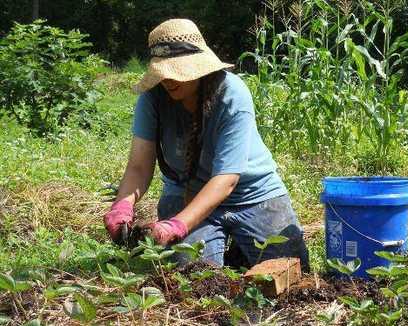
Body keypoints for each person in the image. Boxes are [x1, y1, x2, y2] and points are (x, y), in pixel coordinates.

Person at [103, 18, 309, 270]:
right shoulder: (153, 99)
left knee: (290, 268)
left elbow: (227, 180)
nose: (168, 78)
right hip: (185, 193)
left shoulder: (231, 93)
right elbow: (139, 167)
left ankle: (237, 253)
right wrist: (122, 205)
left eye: (177, 69)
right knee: (191, 273)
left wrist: (175, 226)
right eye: (162, 70)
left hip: (253, 194)